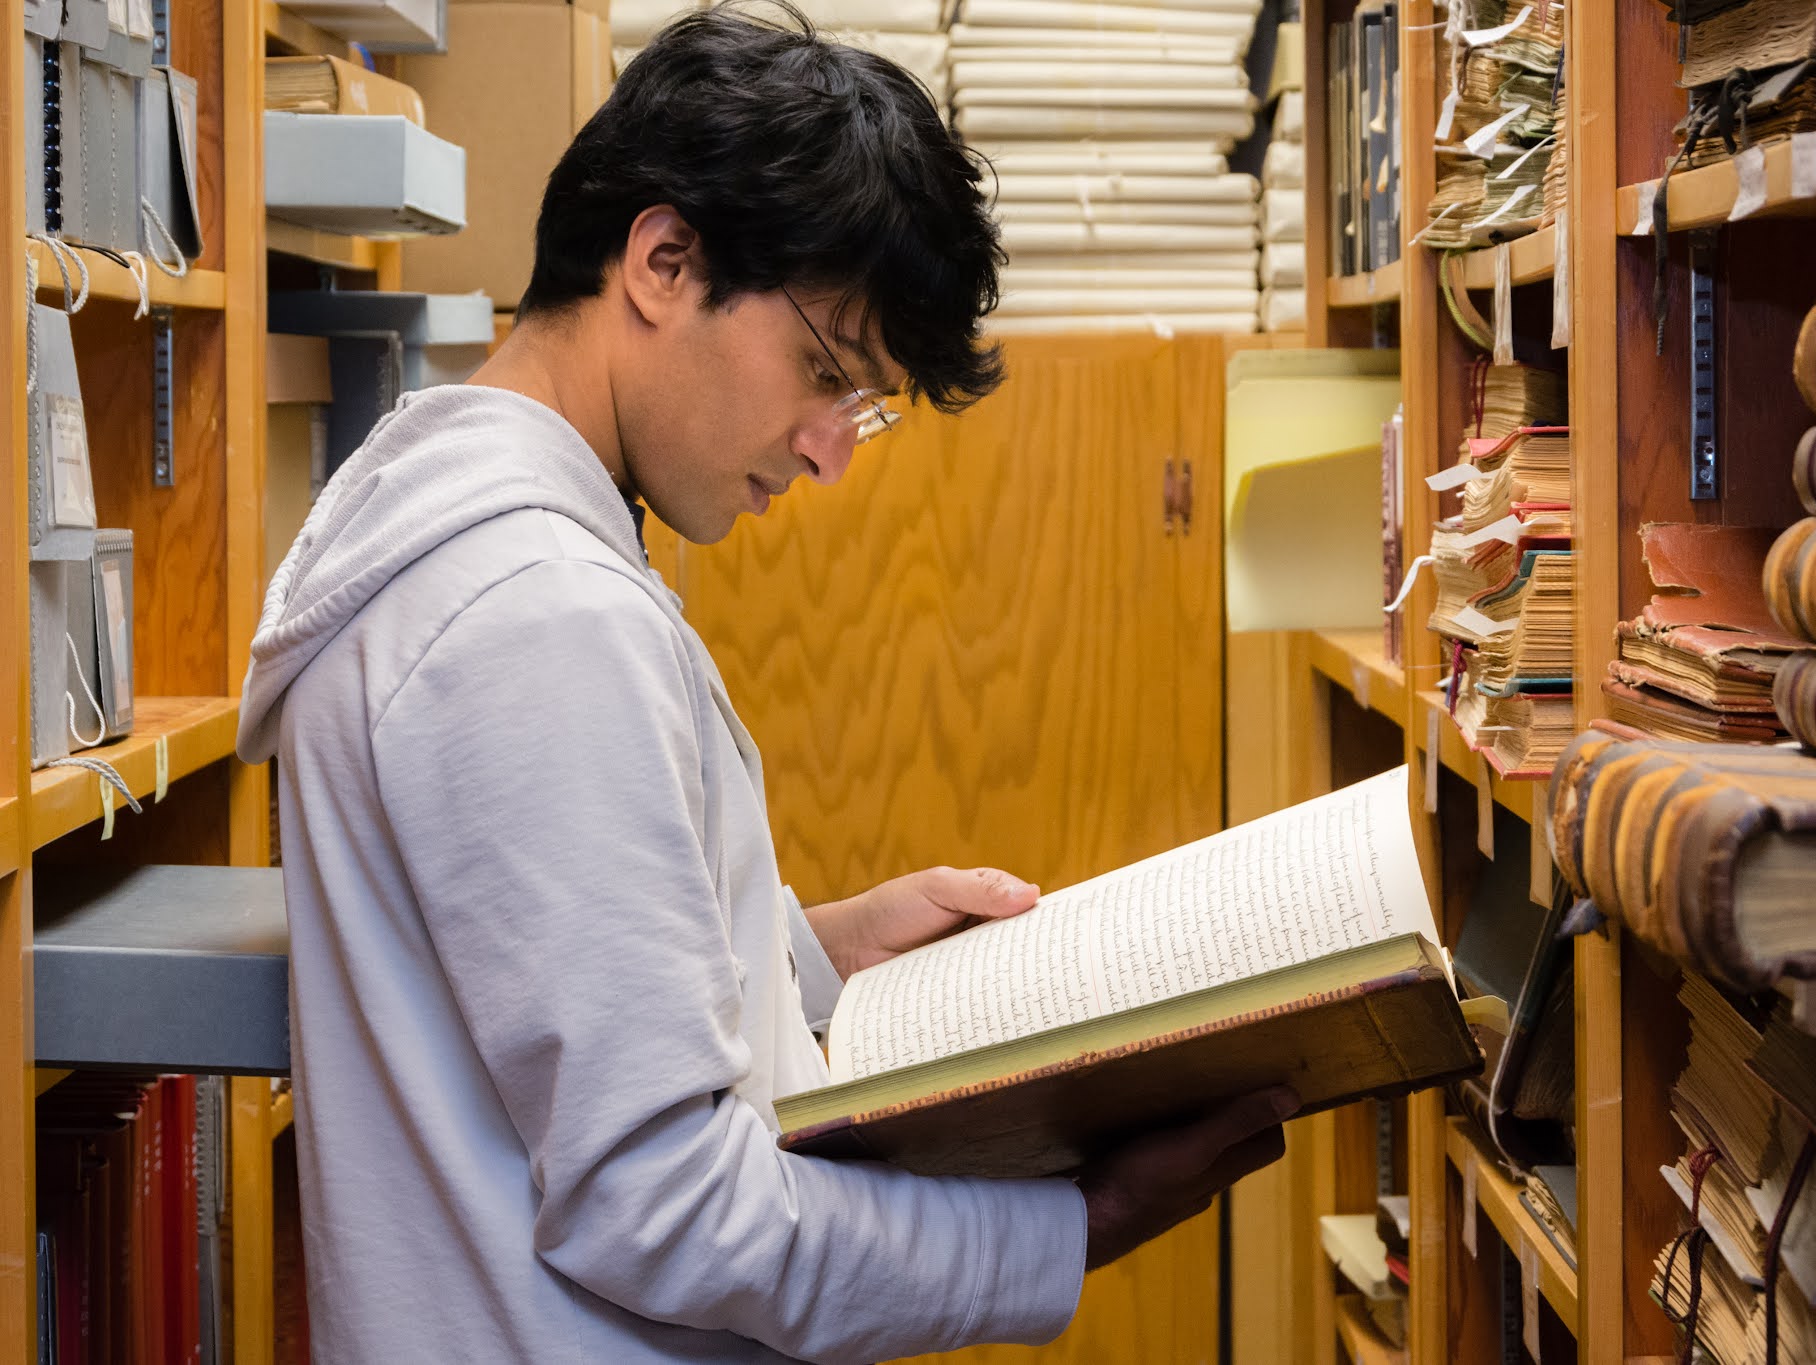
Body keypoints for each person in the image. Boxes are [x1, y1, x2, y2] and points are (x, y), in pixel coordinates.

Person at [237, 6, 1295, 1362]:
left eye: (862, 407)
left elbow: (520, 997)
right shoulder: (534, 611)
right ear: (664, 263)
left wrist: (807, 955)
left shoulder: (466, 537)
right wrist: (1067, 1230)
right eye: (825, 373)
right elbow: (664, 1204)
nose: (829, 453)